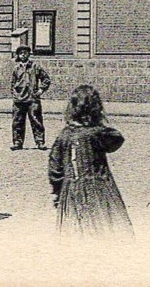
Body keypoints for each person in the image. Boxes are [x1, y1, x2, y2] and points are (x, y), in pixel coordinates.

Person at [48, 84, 133, 237]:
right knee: (104, 229)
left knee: (74, 232)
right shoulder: (97, 134)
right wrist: (97, 125)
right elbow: (117, 138)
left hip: (71, 190)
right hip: (99, 188)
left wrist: (57, 191)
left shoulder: (63, 135)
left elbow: (54, 167)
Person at [11, 44, 52, 149]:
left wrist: (41, 90)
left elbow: (46, 79)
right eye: (21, 53)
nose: (23, 55)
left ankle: (40, 142)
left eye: (25, 53)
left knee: (36, 121)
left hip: (33, 99)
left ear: (28, 54)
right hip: (19, 99)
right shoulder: (16, 68)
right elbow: (12, 83)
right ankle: (17, 142)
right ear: (18, 55)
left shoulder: (35, 66)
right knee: (17, 121)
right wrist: (15, 94)